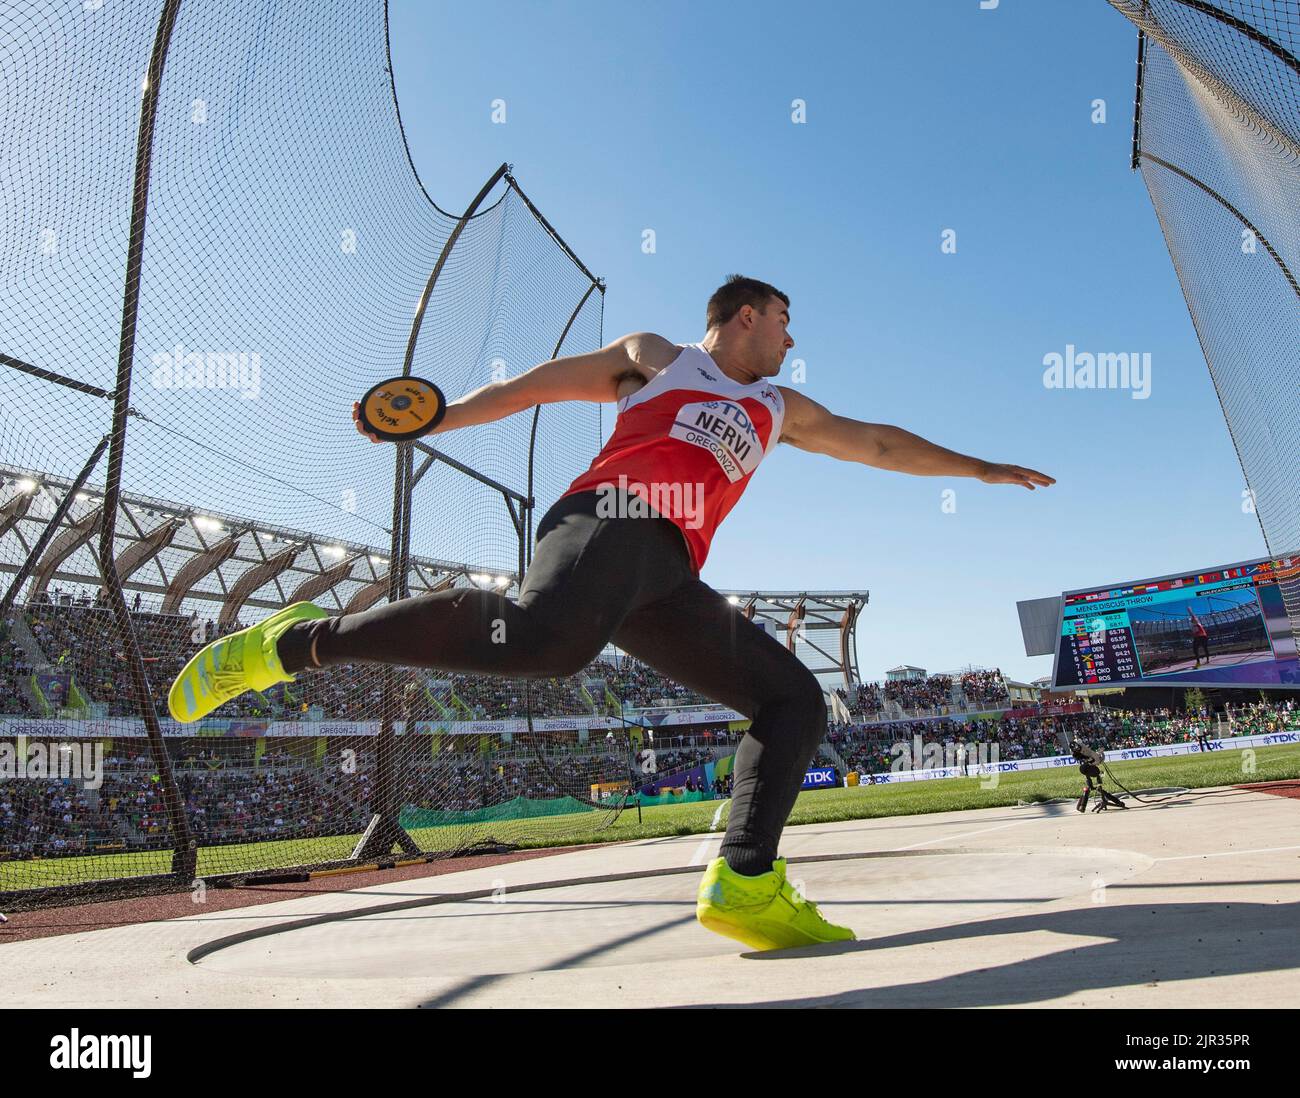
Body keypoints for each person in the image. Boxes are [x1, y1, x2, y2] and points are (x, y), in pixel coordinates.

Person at [167, 275, 1054, 951]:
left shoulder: (779, 409)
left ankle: (745, 884)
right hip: (611, 519)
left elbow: (879, 443)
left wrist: (980, 469)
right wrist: (434, 419)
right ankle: (294, 643)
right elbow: (531, 391)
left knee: (793, 700)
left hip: (666, 575)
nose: (792, 337)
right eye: (785, 319)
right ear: (746, 314)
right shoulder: (659, 359)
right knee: (547, 645)